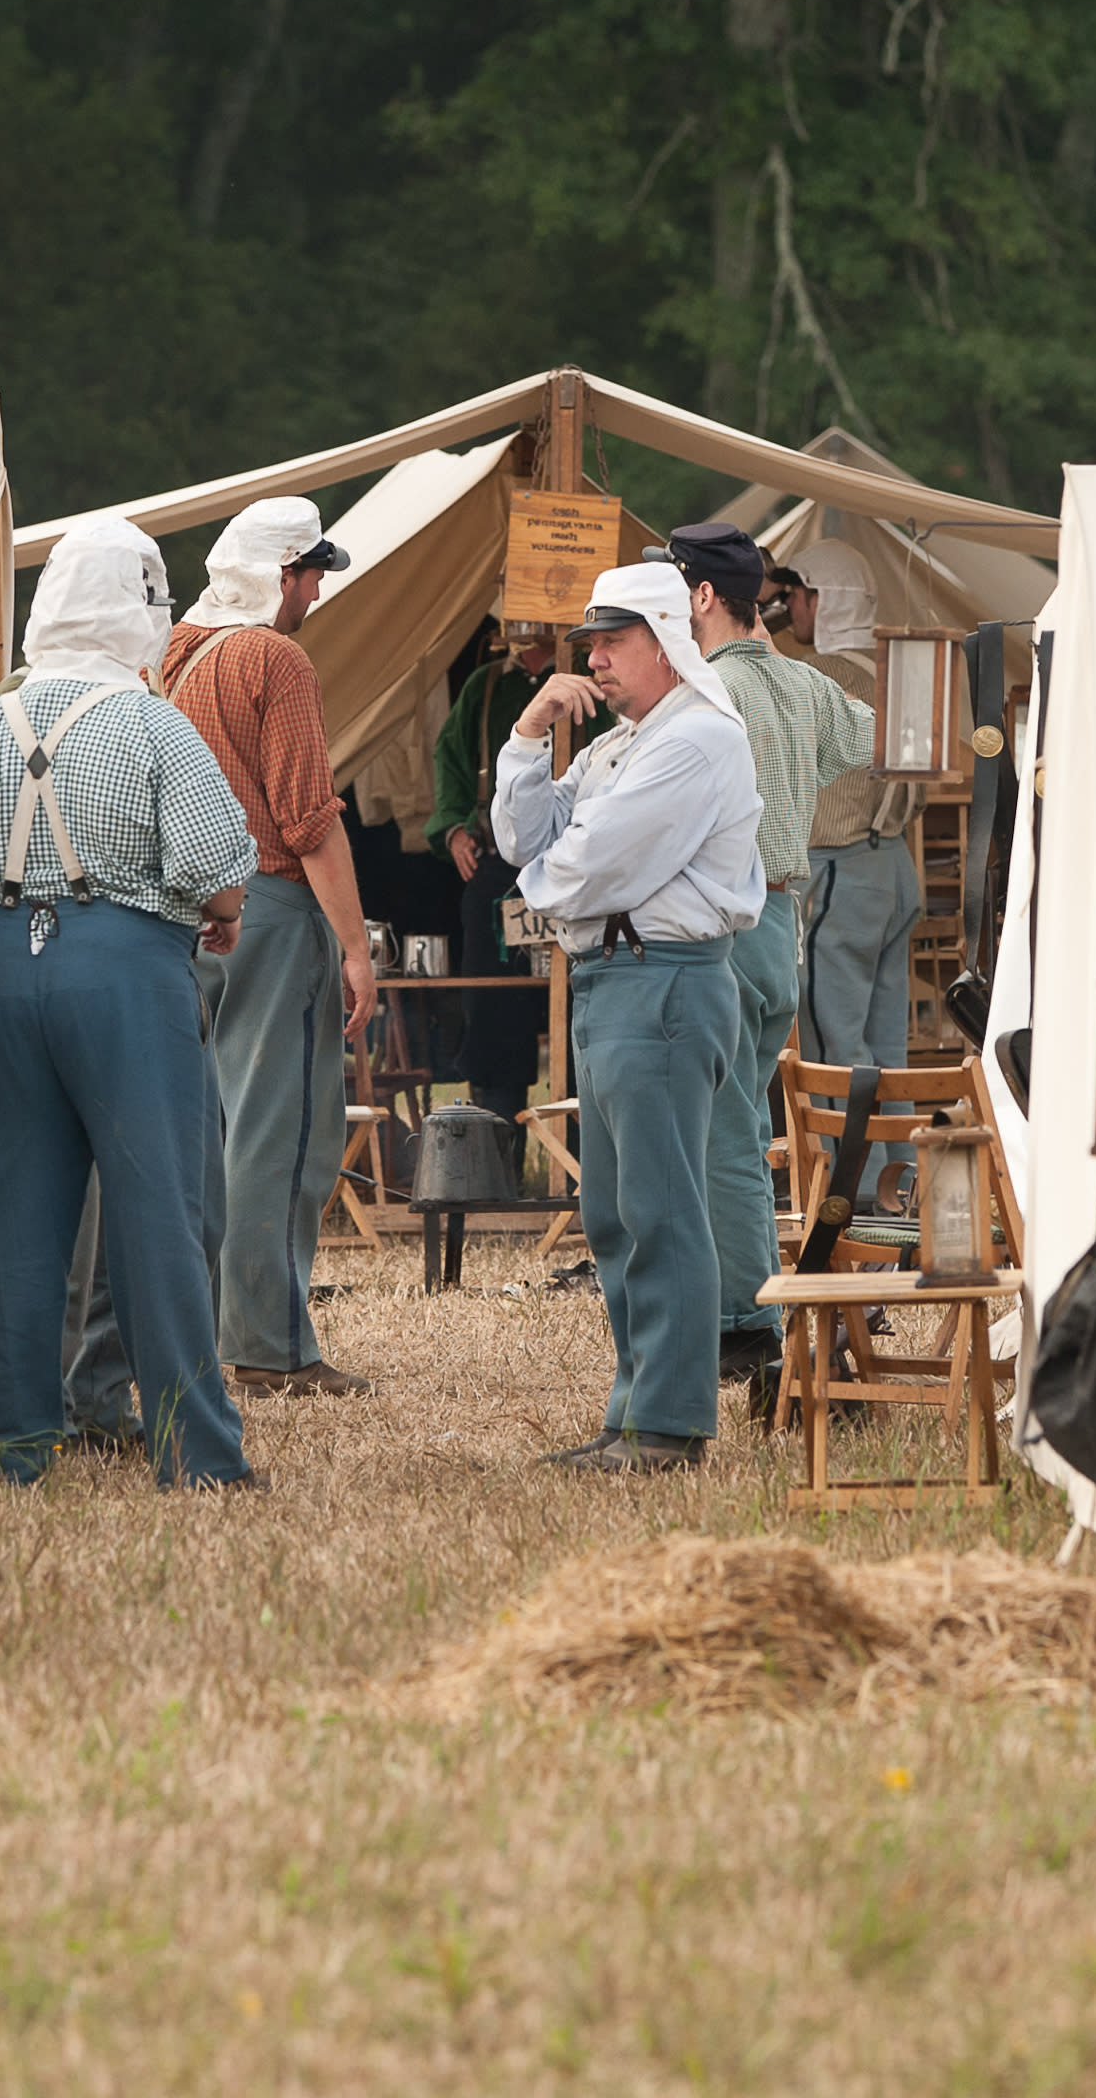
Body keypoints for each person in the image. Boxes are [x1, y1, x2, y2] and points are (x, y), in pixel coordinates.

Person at [0, 519, 261, 1490]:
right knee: (157, 1216)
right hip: (128, 970)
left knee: (3, 1217)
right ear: (141, 613)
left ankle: (11, 1446)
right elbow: (221, 881)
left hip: (4, 972)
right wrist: (197, 915)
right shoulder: (150, 723)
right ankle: (194, 1453)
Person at [494, 561, 764, 1473]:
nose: (597, 661)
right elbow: (531, 838)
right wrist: (530, 736)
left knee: (660, 1208)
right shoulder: (632, 741)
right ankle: (638, 1411)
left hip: (661, 980)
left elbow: (590, 864)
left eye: (613, 642)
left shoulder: (695, 738)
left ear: (663, 637)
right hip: (621, 977)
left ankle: (670, 1421)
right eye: (592, 646)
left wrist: (543, 894)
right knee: (615, 1211)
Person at [159, 495, 383, 1400]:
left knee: (212, 1134)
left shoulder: (172, 652)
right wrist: (357, 949)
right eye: (312, 572)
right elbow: (308, 819)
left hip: (192, 915)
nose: (319, 590)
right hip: (275, 911)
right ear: (281, 574)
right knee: (282, 1132)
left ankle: (218, 1327)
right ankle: (271, 1345)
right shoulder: (274, 658)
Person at [667, 521, 874, 1384]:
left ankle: (745, 1318)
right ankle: (742, 1310)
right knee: (739, 1121)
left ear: (704, 597)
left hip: (731, 920)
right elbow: (869, 737)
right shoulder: (802, 684)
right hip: (782, 913)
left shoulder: (708, 691)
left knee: (723, 1129)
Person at [781, 539, 924, 1196]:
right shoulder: (901, 671)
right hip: (893, 867)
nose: (789, 607)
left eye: (797, 595)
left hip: (838, 870)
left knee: (836, 1048)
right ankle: (903, 1184)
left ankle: (856, 1196)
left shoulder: (822, 679)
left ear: (821, 598)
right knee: (885, 1048)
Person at [423, 617, 602, 1119]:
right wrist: (456, 827)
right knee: (495, 1016)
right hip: (499, 871)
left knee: (585, 1013)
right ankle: (496, 1158)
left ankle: (578, 1163)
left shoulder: (599, 682)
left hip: (580, 869)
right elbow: (450, 757)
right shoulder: (487, 686)